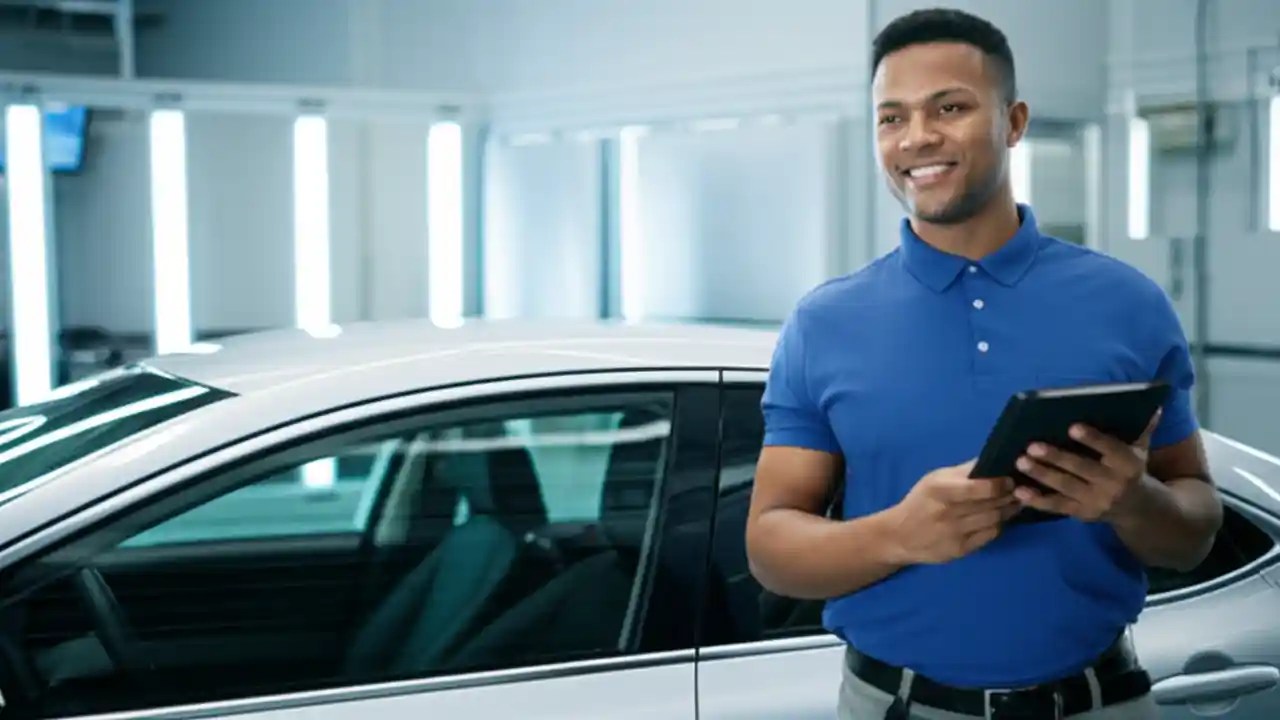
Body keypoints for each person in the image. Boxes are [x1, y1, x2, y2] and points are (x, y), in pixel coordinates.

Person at [744, 7, 1224, 720]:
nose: (917, 137)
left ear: (1014, 121)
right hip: (898, 706)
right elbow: (769, 548)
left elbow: (1196, 528)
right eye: (892, 117)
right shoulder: (824, 323)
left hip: (1101, 703)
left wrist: (1133, 503)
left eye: (950, 107)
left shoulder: (1128, 303)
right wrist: (899, 534)